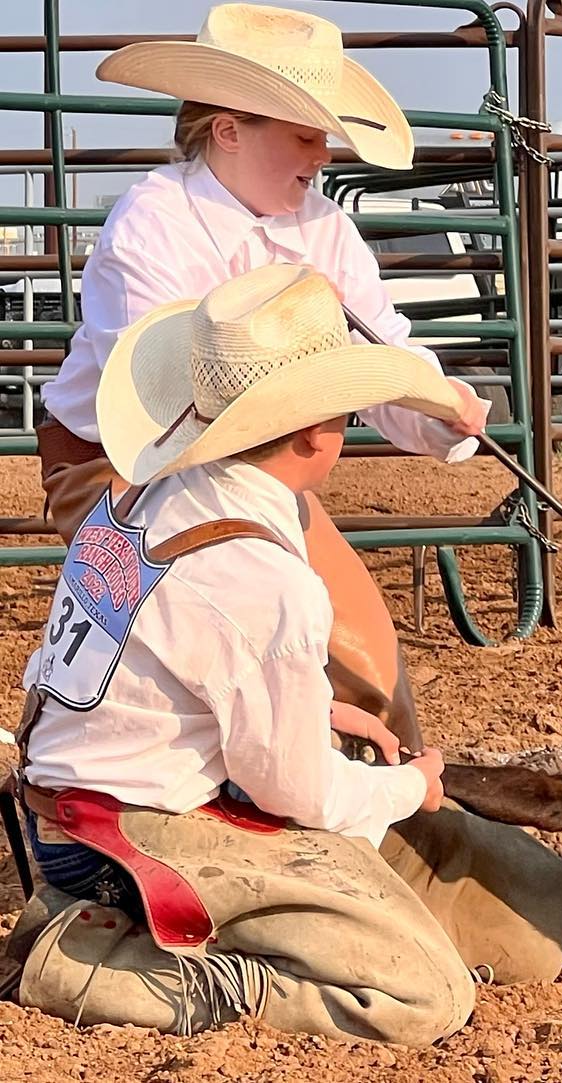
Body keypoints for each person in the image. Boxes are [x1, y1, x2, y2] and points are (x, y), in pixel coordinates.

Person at [3, 265, 478, 1043]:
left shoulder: (153, 488)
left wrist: (311, 706)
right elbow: (300, 793)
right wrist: (404, 788)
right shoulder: (263, 572)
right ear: (316, 431)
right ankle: (92, 966)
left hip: (67, 809)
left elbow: (162, 656)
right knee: (421, 991)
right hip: (132, 838)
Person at [35, 2, 490, 751]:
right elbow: (158, 396)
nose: (323, 155)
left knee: (359, 646)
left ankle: (382, 798)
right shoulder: (153, 221)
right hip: (121, 466)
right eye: (307, 134)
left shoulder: (324, 229)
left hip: (259, 467)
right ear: (229, 130)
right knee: (238, 622)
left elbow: (384, 350)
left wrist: (438, 407)